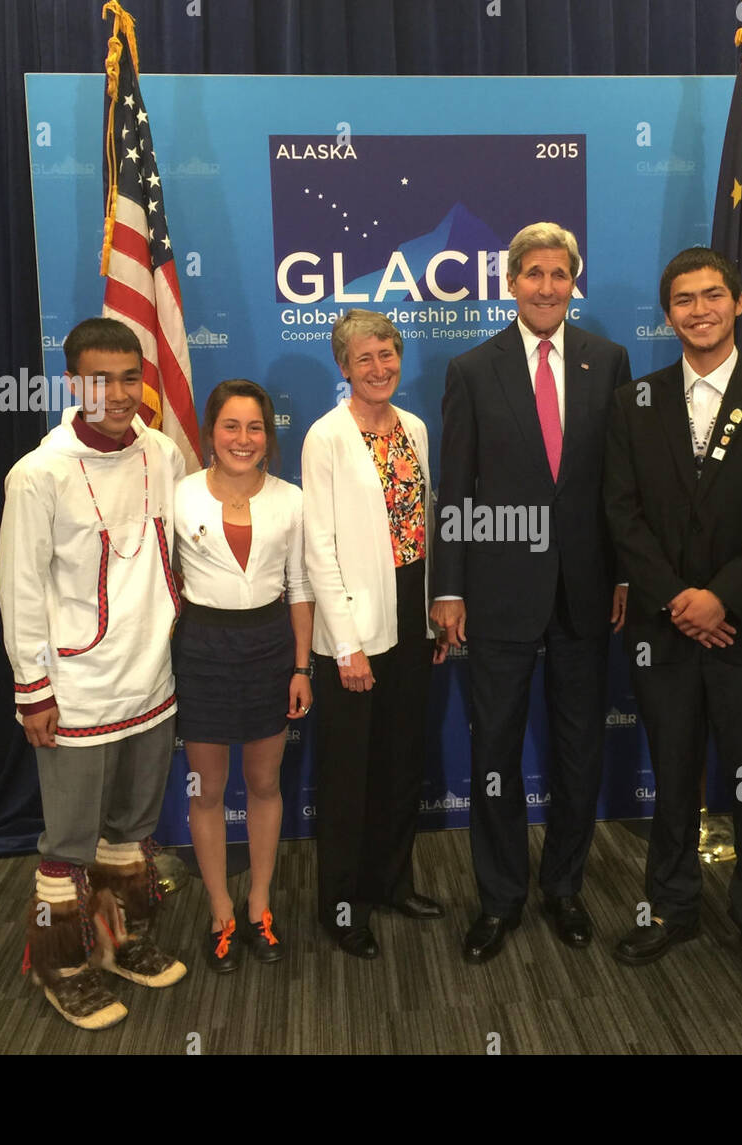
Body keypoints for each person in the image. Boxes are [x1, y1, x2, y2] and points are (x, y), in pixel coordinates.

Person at [604, 248, 742, 989]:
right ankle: (670, 907)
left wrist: (721, 597)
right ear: (668, 315)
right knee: (671, 775)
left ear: (739, 304)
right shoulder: (635, 402)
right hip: (663, 631)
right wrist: (676, 601)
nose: (699, 310)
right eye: (684, 300)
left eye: (712, 296)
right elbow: (621, 515)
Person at [432, 222, 631, 964]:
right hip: (498, 592)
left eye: (560, 274)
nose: (548, 286)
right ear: (510, 282)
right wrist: (447, 589)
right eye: (534, 274)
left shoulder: (607, 360)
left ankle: (565, 888)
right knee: (496, 751)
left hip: (584, 590)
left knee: (581, 751)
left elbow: (621, 481)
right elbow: (455, 487)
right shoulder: (471, 369)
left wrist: (621, 573)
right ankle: (500, 897)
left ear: (572, 282)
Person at [0, 317, 187, 1030]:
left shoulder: (162, 453)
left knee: (129, 829)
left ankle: (116, 938)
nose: (116, 394)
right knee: (67, 843)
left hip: (153, 681)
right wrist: (33, 690)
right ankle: (60, 964)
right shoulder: (39, 474)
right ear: (73, 382)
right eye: (99, 380)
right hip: (76, 690)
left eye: (130, 379)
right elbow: (20, 590)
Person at [301, 310, 447, 960]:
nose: (379, 367)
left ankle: (391, 883)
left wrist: (433, 612)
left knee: (398, 766)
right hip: (354, 633)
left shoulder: (414, 427)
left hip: (410, 619)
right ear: (343, 367)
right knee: (347, 776)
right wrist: (347, 642)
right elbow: (320, 549)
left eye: (387, 354)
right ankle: (341, 904)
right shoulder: (326, 437)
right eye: (365, 358)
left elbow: (422, 529)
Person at [173, 379, 314, 972]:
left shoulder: (291, 499)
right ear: (210, 433)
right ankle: (220, 911)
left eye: (254, 427)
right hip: (202, 647)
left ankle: (259, 907)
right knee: (206, 789)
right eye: (231, 426)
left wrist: (302, 667)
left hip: (269, 647)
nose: (243, 438)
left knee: (263, 784)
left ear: (268, 436)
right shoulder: (178, 495)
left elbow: (301, 588)